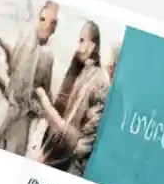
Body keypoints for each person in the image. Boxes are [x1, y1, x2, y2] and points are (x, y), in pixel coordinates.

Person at [0, 0, 58, 154]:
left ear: (54, 26)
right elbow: (13, 82)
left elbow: (43, 97)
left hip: (21, 123)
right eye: (42, 19)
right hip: (9, 116)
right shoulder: (28, 45)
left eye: (50, 22)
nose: (44, 25)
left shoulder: (47, 56)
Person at [34, 20, 110, 176]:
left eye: (82, 41)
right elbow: (63, 111)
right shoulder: (82, 73)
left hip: (71, 165)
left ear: (93, 45)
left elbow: (83, 142)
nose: (78, 47)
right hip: (59, 154)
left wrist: (45, 103)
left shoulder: (99, 81)